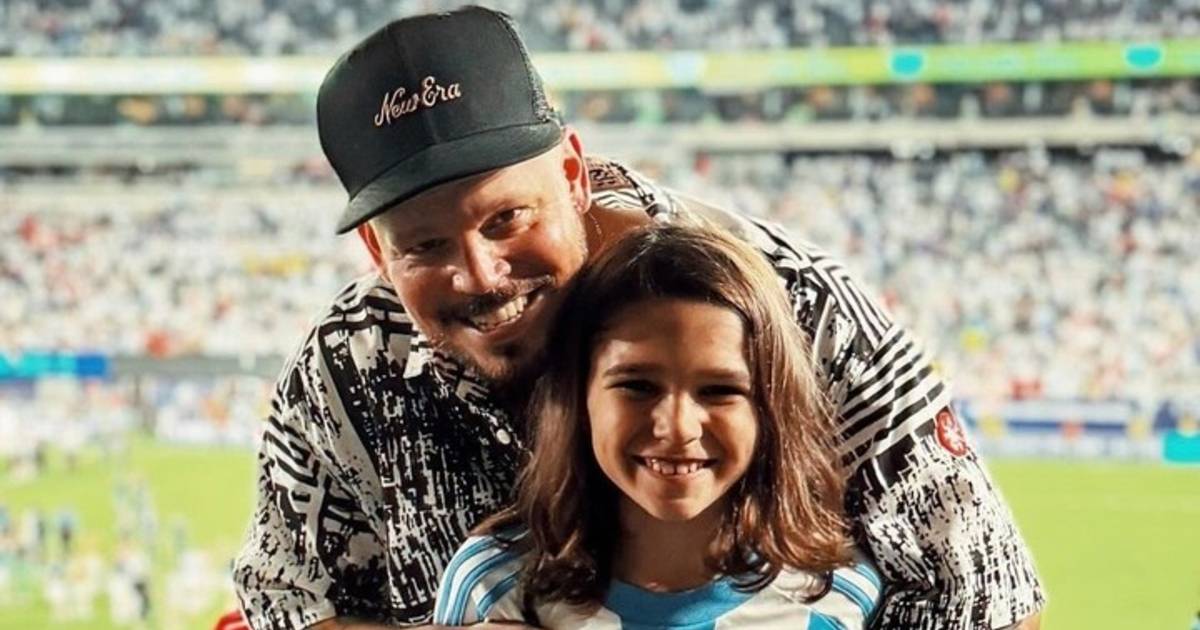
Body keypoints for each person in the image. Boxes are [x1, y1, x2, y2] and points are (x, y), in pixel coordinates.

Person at [233, 6, 1044, 629]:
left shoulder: (794, 307)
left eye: (508, 219)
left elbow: (988, 596)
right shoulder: (350, 364)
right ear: (377, 251)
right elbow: (284, 603)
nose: (480, 275)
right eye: (424, 246)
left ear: (575, 174)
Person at [433, 223, 883, 627]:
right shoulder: (494, 588)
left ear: (769, 406)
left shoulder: (835, 597)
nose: (678, 427)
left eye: (719, 391)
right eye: (638, 386)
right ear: (578, 395)